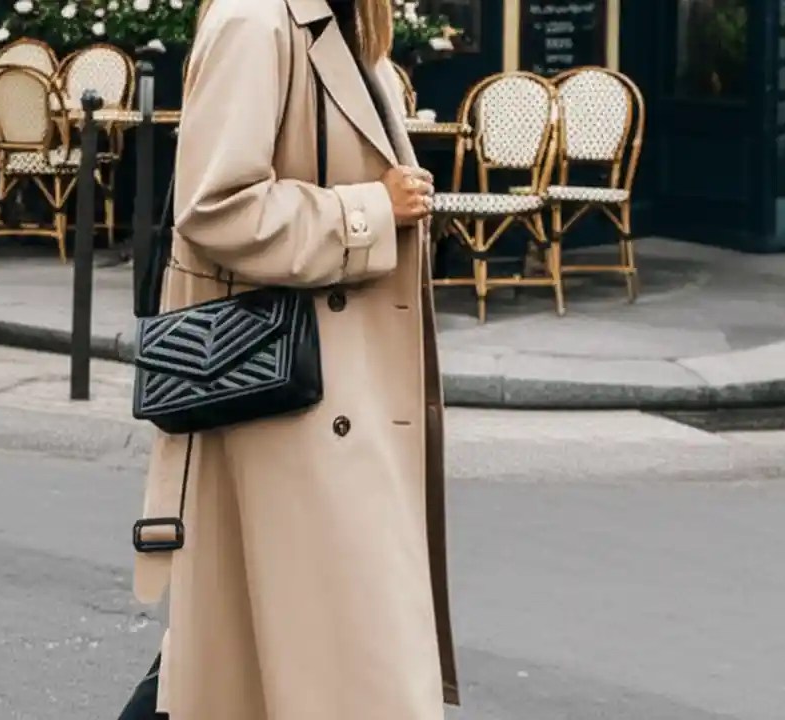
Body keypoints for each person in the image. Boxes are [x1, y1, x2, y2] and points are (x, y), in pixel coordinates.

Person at [129, 0, 458, 717]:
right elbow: (213, 206)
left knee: (271, 663)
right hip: (293, 397)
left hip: (347, 390)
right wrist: (368, 211)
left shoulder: (349, 28)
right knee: (318, 668)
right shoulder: (254, 21)